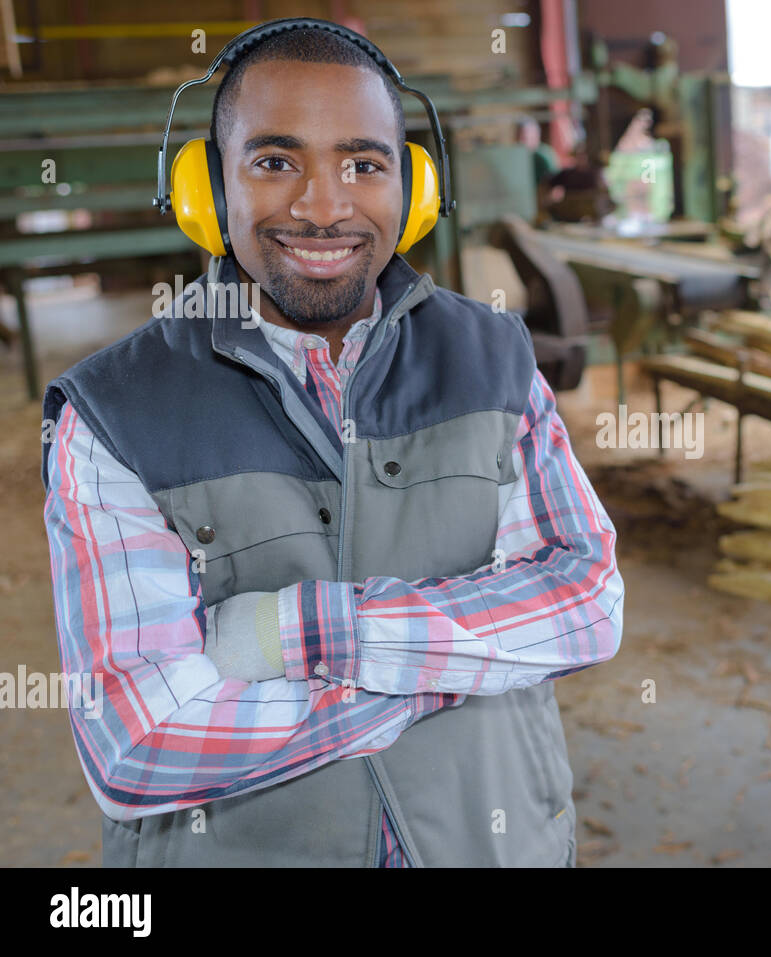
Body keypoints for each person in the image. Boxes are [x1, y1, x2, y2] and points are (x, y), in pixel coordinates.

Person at [40, 20, 623, 867]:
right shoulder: (114, 412)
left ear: (414, 189)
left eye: (363, 163)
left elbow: (588, 602)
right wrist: (463, 664)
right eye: (276, 162)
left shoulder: (491, 356)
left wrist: (294, 632)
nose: (324, 206)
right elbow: (144, 744)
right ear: (207, 189)